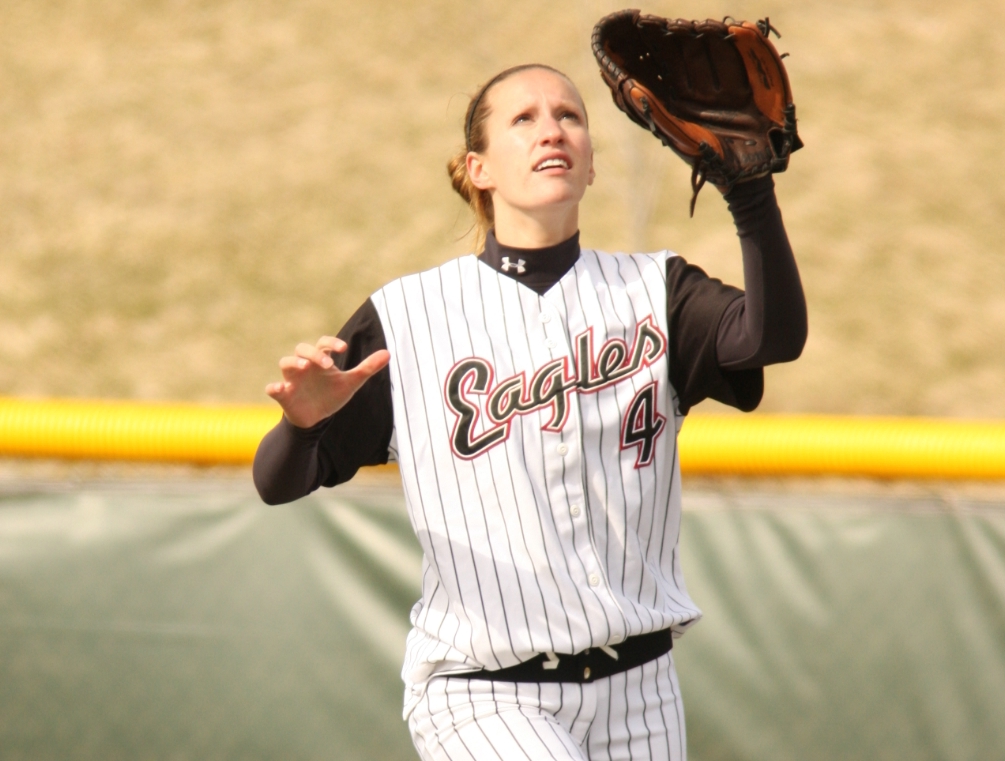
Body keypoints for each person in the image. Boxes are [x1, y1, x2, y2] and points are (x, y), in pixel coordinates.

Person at [253, 63, 806, 761]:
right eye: (525, 118)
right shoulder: (409, 317)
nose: (553, 129)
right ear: (477, 167)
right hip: (483, 691)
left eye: (569, 116)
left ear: (593, 164)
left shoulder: (656, 291)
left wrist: (751, 197)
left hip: (640, 693)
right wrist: (301, 424)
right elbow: (278, 481)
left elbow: (772, 338)